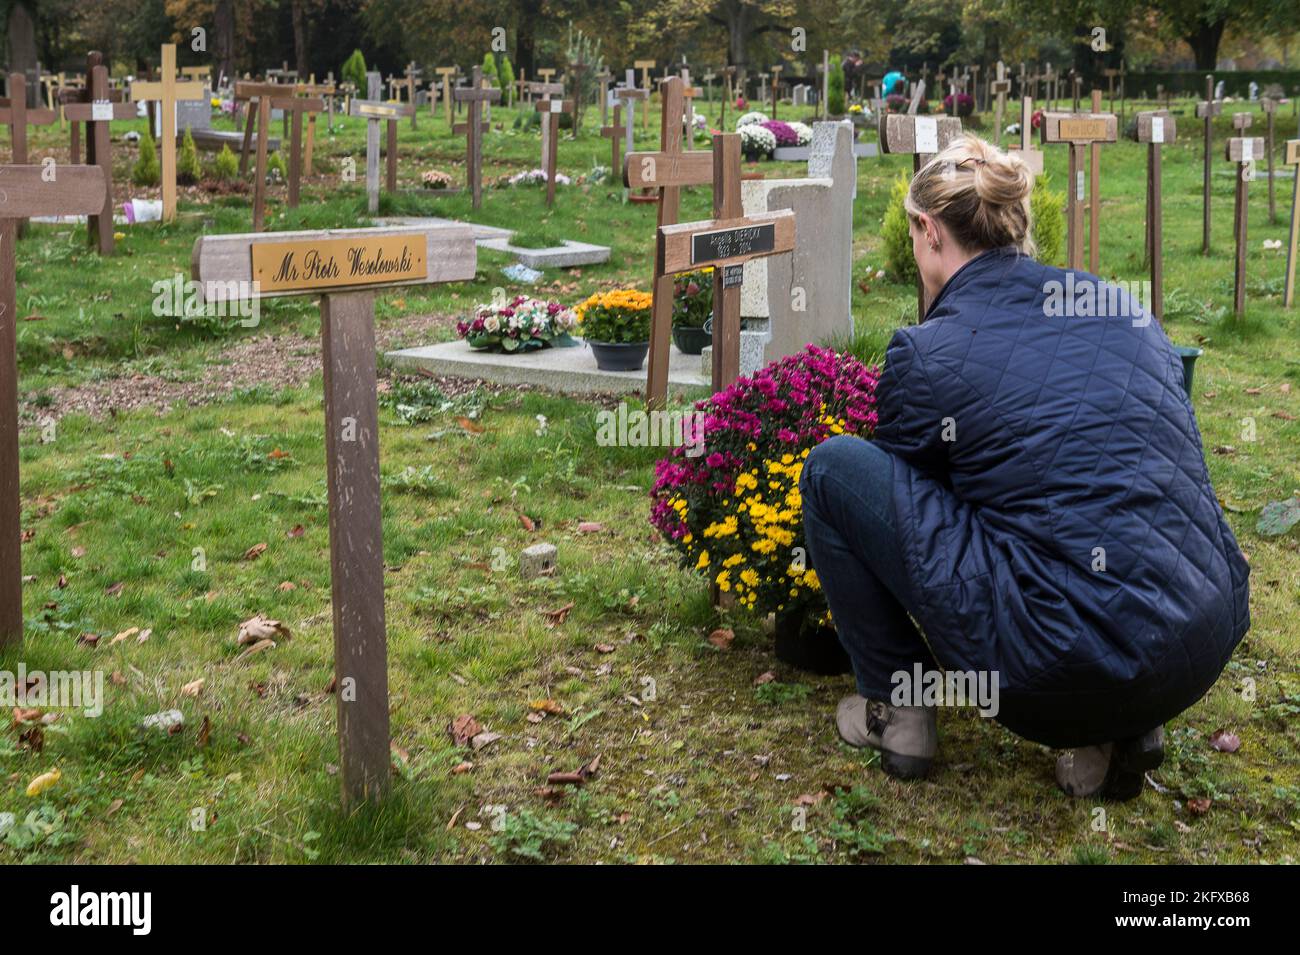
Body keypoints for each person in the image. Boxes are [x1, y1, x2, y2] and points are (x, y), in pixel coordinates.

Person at [799, 135, 1250, 800]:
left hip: (1051, 669)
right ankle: (1127, 722)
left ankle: (901, 714)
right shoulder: (1121, 308)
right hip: (1198, 638)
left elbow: (905, 509)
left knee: (835, 470)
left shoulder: (928, 355)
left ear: (928, 231)